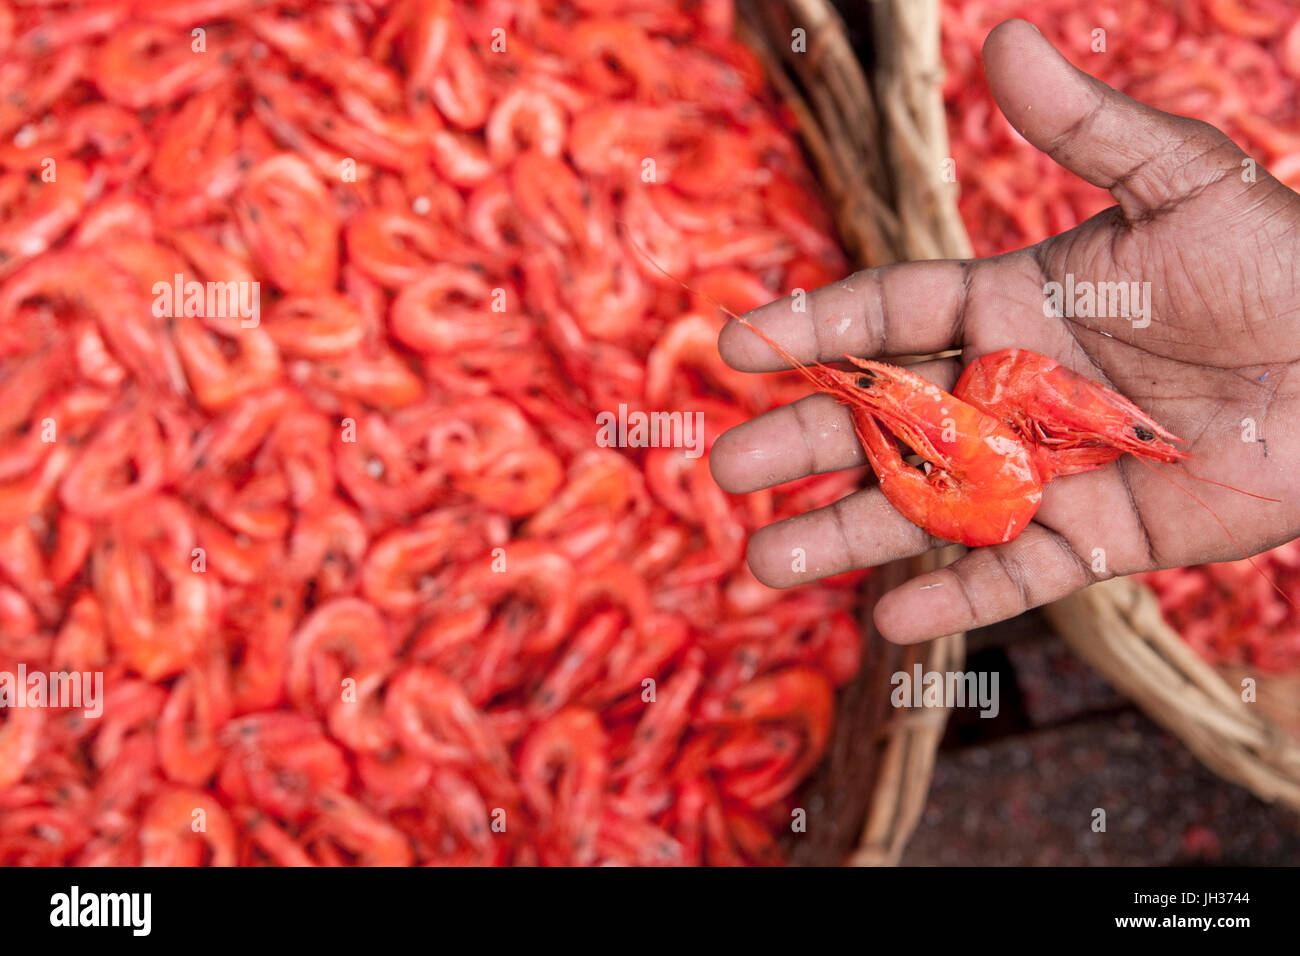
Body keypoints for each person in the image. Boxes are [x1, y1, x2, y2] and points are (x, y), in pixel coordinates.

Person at [709, 19, 1300, 645]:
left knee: (887, 400)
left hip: (989, 466)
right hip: (991, 457)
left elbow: (1000, 432)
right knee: (884, 398)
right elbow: (993, 429)